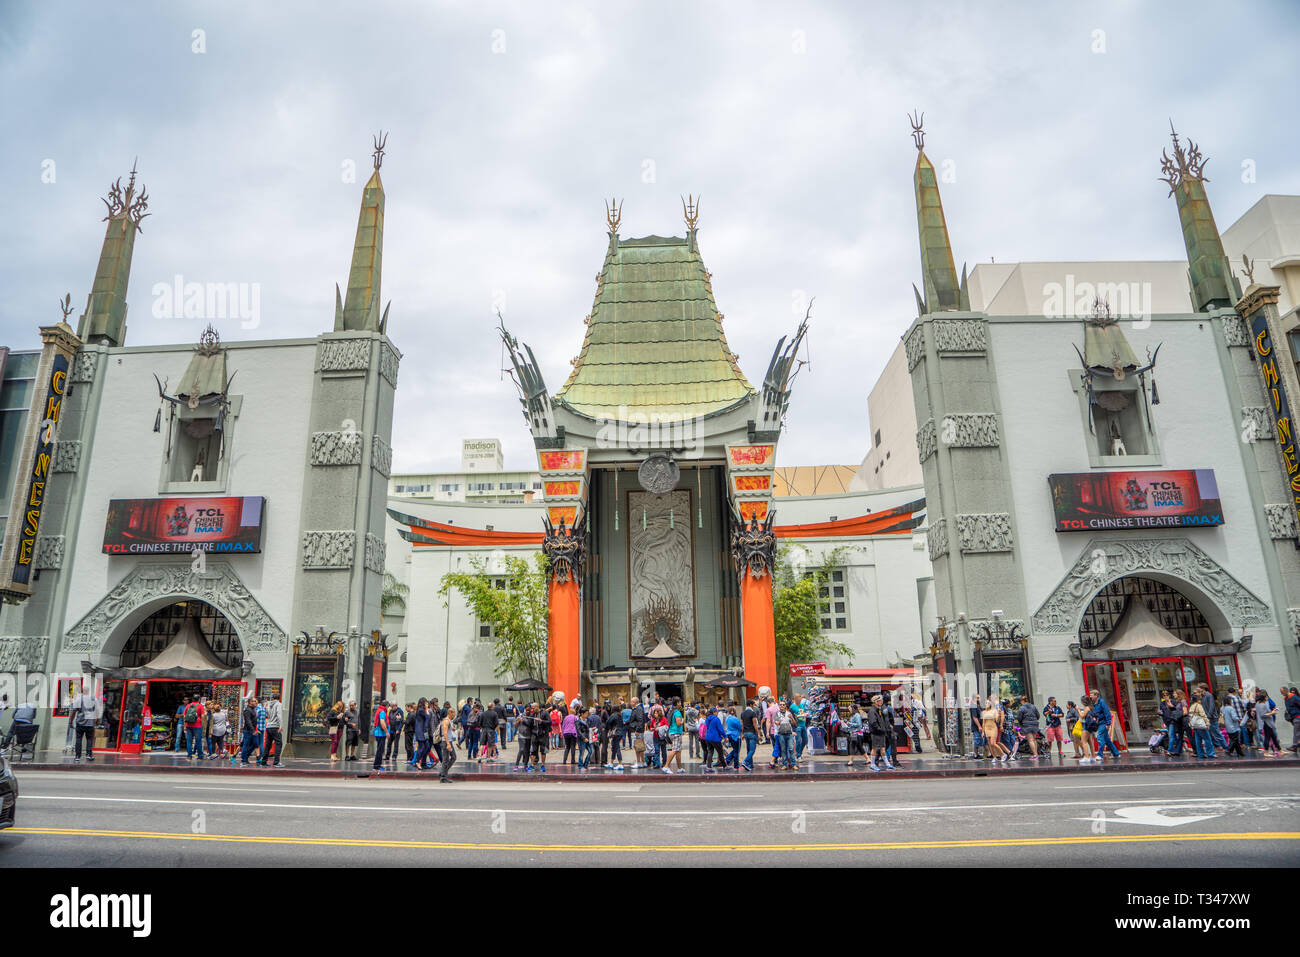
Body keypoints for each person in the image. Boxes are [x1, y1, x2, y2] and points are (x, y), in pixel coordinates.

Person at [69, 684, 101, 763]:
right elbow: (97, 711)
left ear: (82, 691)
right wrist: (95, 720)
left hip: (80, 723)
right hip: (90, 723)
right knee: (89, 739)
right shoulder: (94, 699)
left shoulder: (78, 700)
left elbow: (74, 712)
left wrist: (70, 721)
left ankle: (77, 756)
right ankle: (89, 755)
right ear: (88, 691)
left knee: (78, 739)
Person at [866, 694, 894, 771]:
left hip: (881, 732)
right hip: (876, 733)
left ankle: (887, 764)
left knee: (882, 749)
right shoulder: (872, 711)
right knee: (874, 749)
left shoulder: (878, 710)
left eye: (881, 700)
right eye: (880, 701)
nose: (881, 702)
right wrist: (880, 729)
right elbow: (873, 723)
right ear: (876, 702)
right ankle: (872, 764)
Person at [1092, 691, 1121, 759]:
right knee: (1107, 740)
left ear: (1096, 695)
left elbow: (1107, 713)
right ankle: (1116, 754)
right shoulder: (1094, 704)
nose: (1090, 696)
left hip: (1103, 723)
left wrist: (1108, 723)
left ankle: (1100, 755)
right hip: (1099, 724)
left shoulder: (1102, 702)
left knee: (1100, 738)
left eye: (1092, 695)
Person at [981, 697, 1008, 763]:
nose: (987, 704)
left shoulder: (994, 711)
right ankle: (994, 757)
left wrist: (998, 714)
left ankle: (1003, 754)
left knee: (993, 743)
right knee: (990, 744)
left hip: (993, 727)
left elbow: (997, 720)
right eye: (986, 703)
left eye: (988, 703)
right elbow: (983, 723)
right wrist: (983, 732)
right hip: (987, 728)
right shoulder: (984, 712)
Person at [700, 706, 725, 773]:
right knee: (720, 752)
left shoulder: (707, 719)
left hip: (708, 737)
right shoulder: (716, 719)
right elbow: (720, 729)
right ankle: (725, 766)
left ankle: (708, 767)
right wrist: (725, 736)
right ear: (714, 712)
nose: (717, 713)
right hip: (715, 738)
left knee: (710, 751)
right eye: (716, 711)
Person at [260, 694, 283, 768]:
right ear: (279, 698)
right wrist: (281, 726)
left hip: (269, 726)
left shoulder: (268, 704)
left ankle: (264, 761)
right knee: (279, 743)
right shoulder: (278, 704)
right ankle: (276, 762)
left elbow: (266, 714)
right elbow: (279, 715)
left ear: (272, 698)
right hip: (275, 726)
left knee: (268, 745)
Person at [1256, 689, 1281, 754]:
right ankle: (1266, 752)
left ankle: (1280, 750)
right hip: (1266, 723)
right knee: (1267, 737)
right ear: (1264, 698)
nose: (1268, 698)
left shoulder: (1258, 704)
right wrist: (1272, 713)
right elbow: (1263, 715)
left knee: (1273, 737)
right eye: (1266, 697)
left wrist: (1272, 712)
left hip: (1266, 722)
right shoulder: (1262, 705)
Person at [1188, 695, 1213, 759]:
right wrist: (1207, 723)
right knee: (1207, 739)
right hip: (1201, 725)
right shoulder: (1199, 706)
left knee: (1198, 741)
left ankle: (1200, 754)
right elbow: (1203, 715)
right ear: (1198, 700)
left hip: (1195, 726)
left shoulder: (1191, 706)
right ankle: (1210, 753)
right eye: (1200, 699)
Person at [739, 698, 760, 772]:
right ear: (750, 705)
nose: (754, 706)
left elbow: (742, 725)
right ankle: (745, 762)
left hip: (746, 733)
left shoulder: (742, 713)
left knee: (748, 750)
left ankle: (750, 764)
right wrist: (758, 733)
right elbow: (755, 724)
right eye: (753, 705)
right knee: (752, 750)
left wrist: (743, 733)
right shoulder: (752, 713)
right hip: (752, 733)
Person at [182, 695, 206, 760]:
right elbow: (203, 716)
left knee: (189, 741)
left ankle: (189, 755)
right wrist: (202, 724)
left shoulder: (188, 705)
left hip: (188, 725)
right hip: (197, 725)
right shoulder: (200, 706)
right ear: (199, 699)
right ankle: (200, 755)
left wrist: (185, 725)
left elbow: (184, 716)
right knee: (198, 741)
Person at [239, 697, 261, 765]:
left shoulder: (253, 709)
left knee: (255, 744)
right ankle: (244, 759)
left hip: (253, 730)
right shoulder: (247, 710)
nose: (254, 702)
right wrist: (253, 730)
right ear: (249, 702)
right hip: (248, 731)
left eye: (255, 701)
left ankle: (246, 756)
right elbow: (248, 722)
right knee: (246, 744)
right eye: (253, 701)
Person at [844, 704, 866, 769]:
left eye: (850, 709)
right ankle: (868, 759)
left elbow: (859, 725)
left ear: (853, 708)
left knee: (852, 746)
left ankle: (851, 761)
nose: (849, 710)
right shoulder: (854, 715)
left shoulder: (857, 715)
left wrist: (849, 723)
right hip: (855, 733)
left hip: (856, 733)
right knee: (860, 747)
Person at [370, 698, 389, 771]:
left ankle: (378, 765)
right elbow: (382, 722)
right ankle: (376, 766)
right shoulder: (382, 712)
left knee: (380, 749)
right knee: (380, 750)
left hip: (379, 733)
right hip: (381, 734)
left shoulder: (379, 710)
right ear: (386, 706)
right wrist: (387, 732)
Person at [1167, 689, 1187, 756]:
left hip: (1181, 721)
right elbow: (1177, 711)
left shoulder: (1183, 701)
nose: (1173, 694)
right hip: (1178, 721)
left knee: (1180, 736)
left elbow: (1185, 712)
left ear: (1178, 694)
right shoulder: (1178, 702)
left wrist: (1178, 716)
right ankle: (1177, 750)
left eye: (1175, 693)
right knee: (1179, 736)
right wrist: (1172, 707)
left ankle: (1177, 750)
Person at [604, 705, 624, 770]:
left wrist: (608, 728)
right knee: (614, 748)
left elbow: (608, 722)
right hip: (620, 732)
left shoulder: (613, 715)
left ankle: (620, 763)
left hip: (615, 733)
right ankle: (611, 762)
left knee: (616, 747)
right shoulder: (620, 715)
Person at [1285, 686, 1300, 753]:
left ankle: (1294, 746)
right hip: (1294, 718)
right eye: (1291, 692)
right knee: (1297, 733)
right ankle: (1296, 746)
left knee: (1296, 733)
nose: (1292, 694)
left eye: (1294, 692)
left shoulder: (1295, 698)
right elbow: (1289, 709)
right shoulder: (1287, 699)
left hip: (1297, 717)